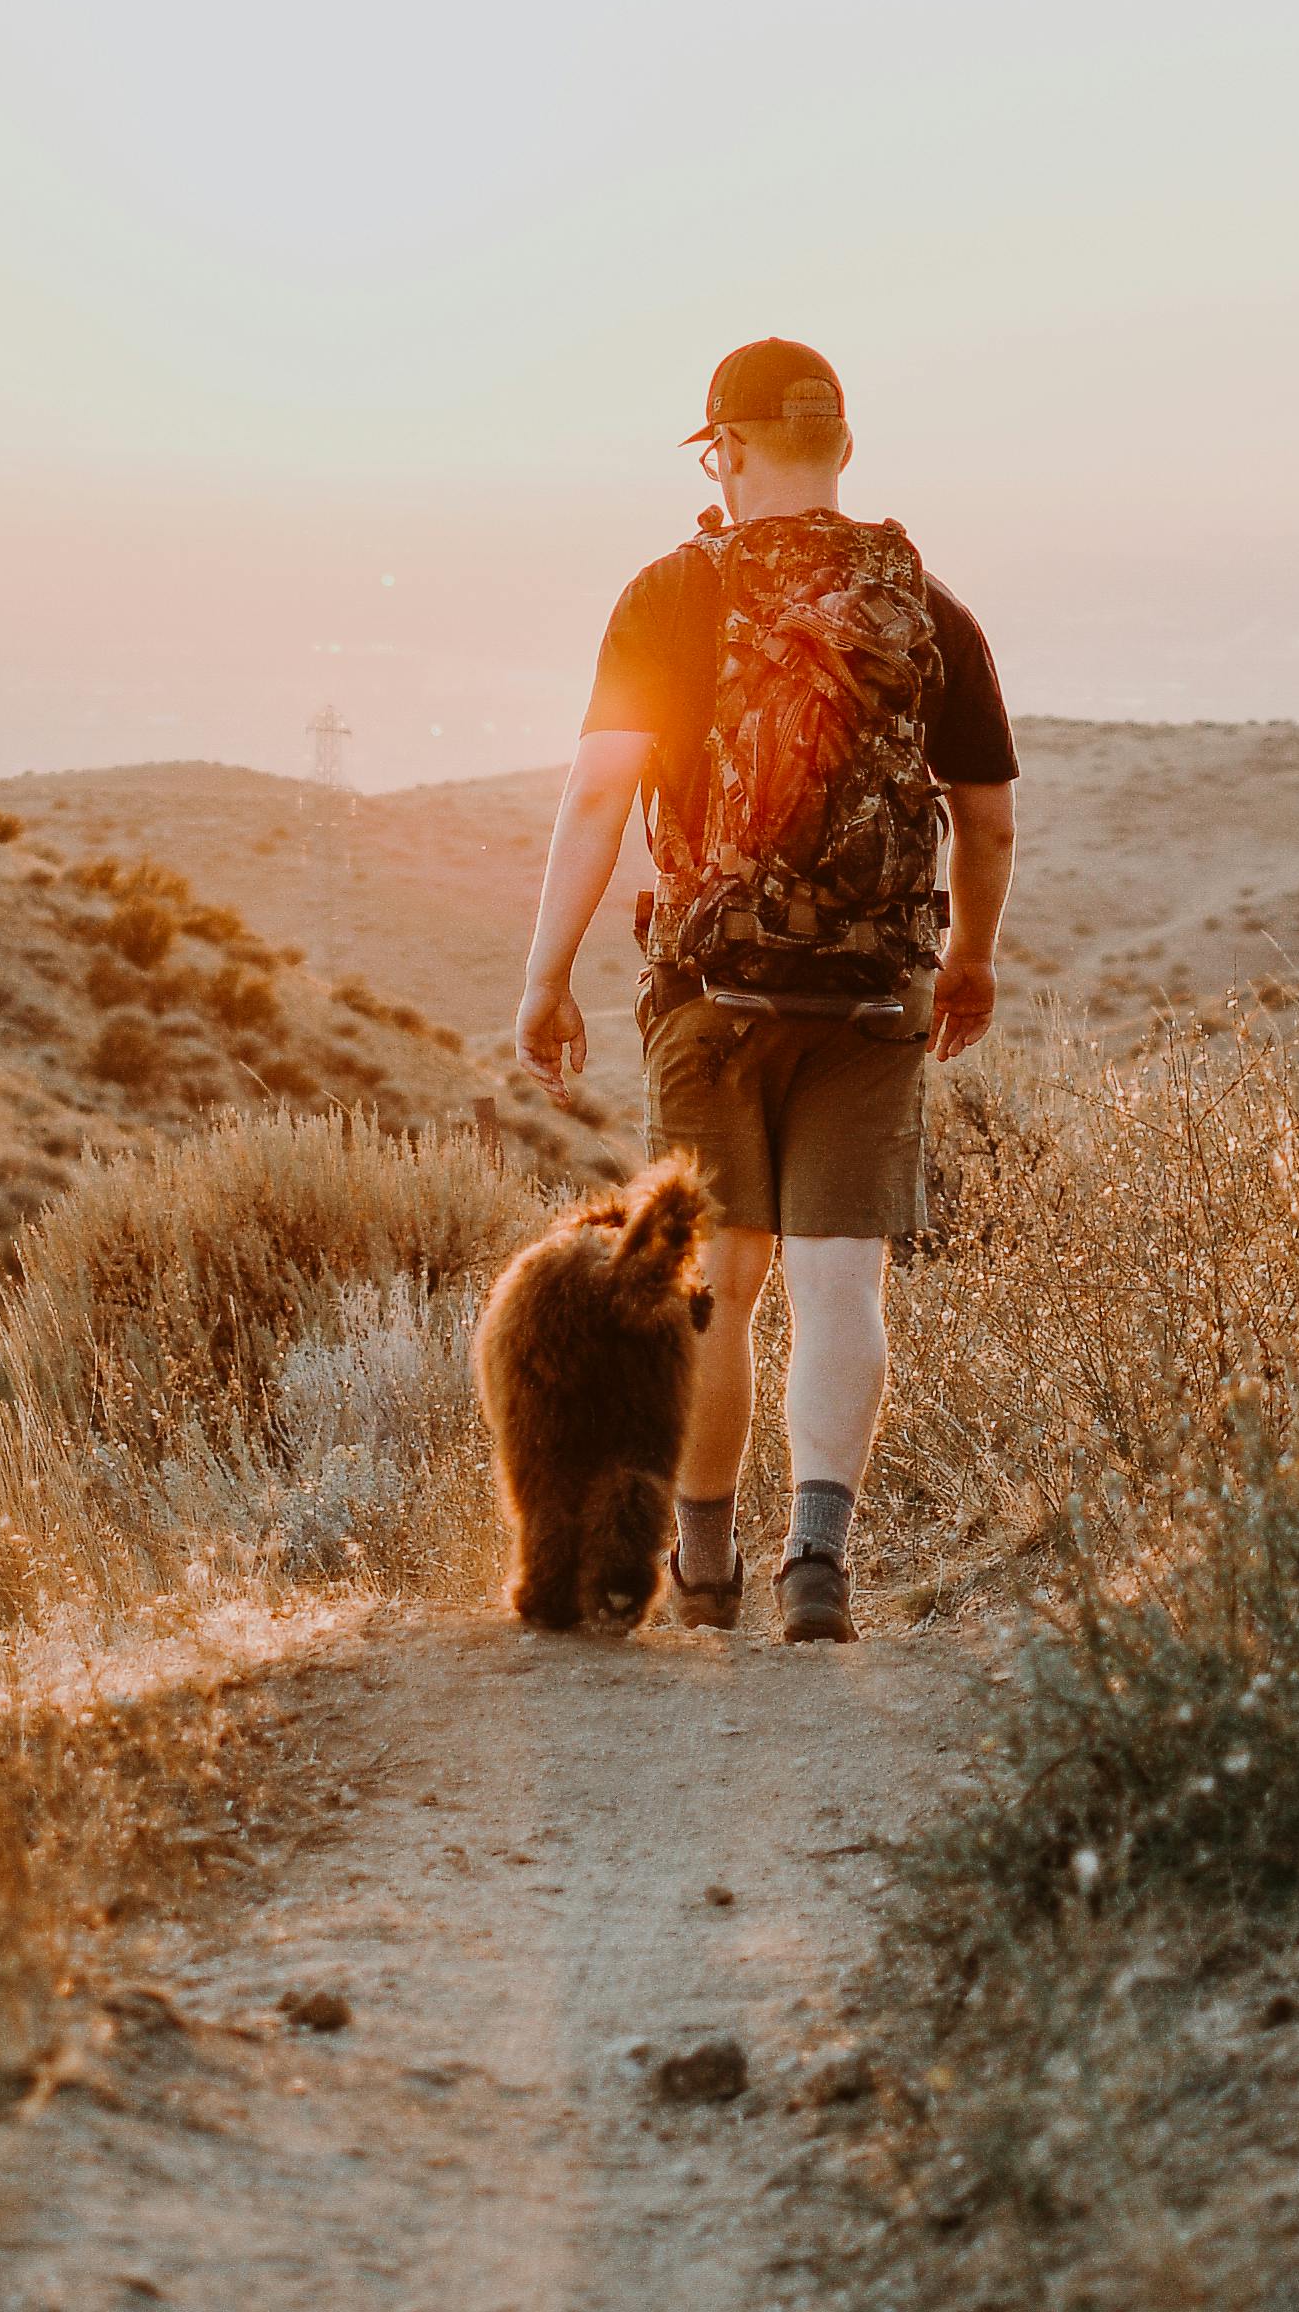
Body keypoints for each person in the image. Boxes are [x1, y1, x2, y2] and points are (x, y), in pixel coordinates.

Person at [511, 338, 1016, 1644]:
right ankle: (819, 1567)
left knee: (719, 1284)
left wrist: (548, 979)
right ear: (843, 446)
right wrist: (968, 962)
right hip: (874, 1000)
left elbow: (599, 794)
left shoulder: (670, 595)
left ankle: (704, 1566)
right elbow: (986, 820)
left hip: (712, 993)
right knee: (843, 1288)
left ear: (724, 451)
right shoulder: (928, 610)